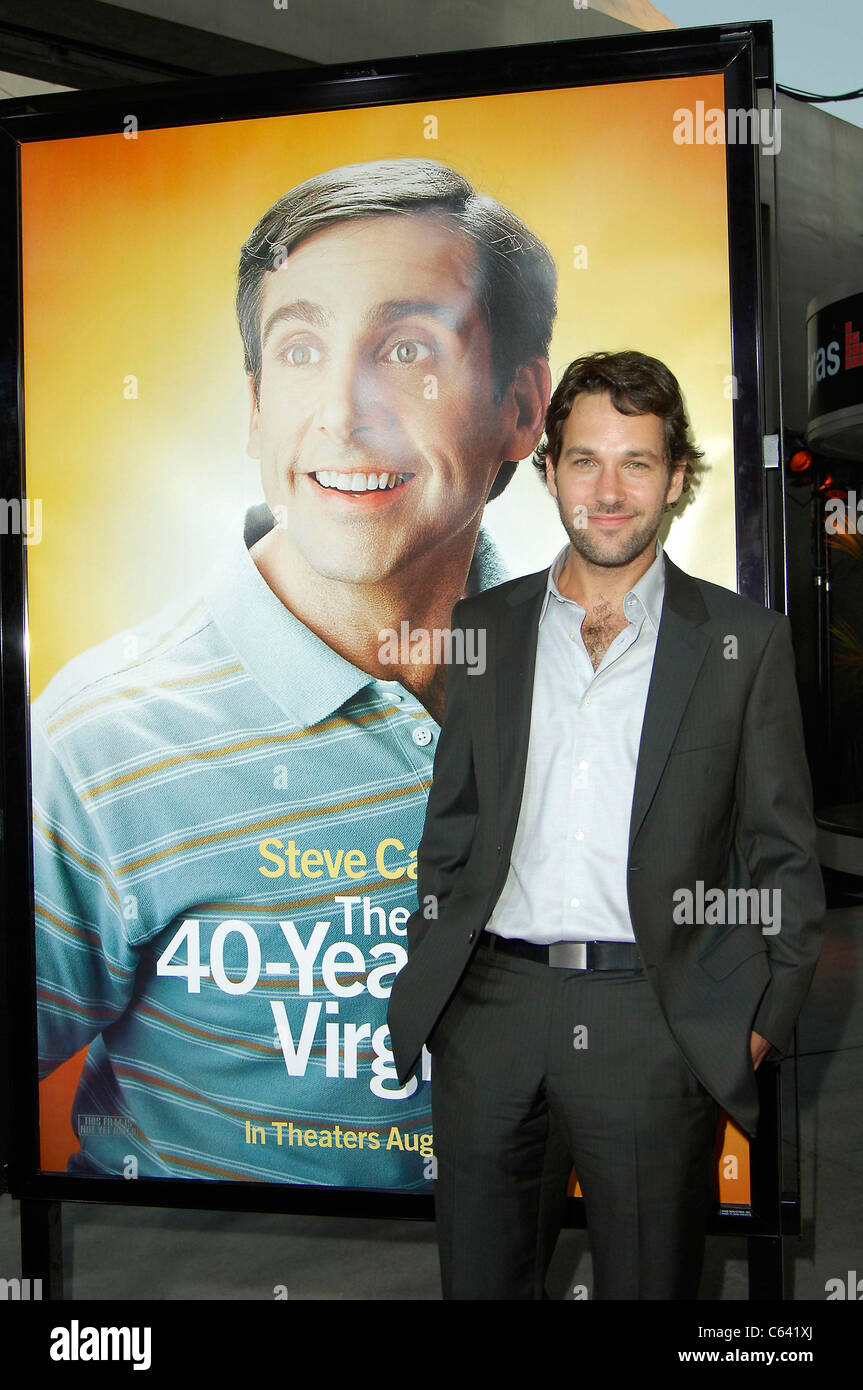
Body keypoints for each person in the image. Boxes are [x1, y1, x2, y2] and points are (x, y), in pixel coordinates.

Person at [33, 158, 555, 1185]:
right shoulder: (94, 743)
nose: (343, 413)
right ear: (257, 406)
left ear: (521, 406)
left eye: (408, 348)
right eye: (302, 349)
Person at [387, 349, 825, 1294]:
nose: (610, 489)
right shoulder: (485, 626)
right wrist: (447, 990)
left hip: (651, 1019)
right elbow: (451, 826)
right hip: (490, 1012)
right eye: (584, 460)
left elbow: (782, 858)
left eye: (637, 462)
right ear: (548, 473)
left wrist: (760, 1018)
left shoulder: (741, 645)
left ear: (675, 479)